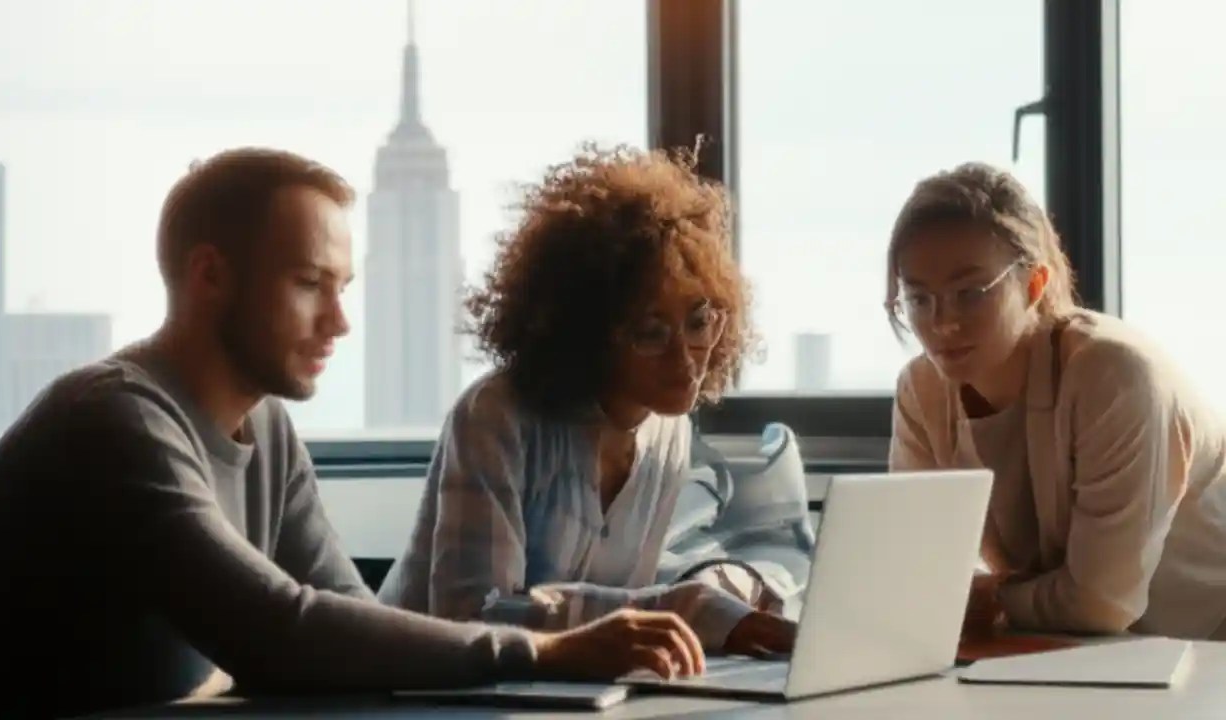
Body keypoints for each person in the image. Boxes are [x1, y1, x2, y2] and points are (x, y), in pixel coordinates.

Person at [0, 148, 707, 719]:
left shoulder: (265, 427)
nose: (340, 322)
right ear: (209, 275)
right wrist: (543, 650)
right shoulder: (112, 422)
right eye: (310, 284)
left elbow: (351, 615)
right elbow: (279, 630)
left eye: (343, 289)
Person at [379, 145, 807, 657]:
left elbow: (627, 621)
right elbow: (471, 615)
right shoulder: (494, 418)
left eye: (698, 322)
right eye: (650, 332)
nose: (686, 359)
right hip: (423, 695)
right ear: (588, 331)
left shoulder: (667, 429)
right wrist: (683, 608)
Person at [886, 161, 1226, 640]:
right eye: (919, 299)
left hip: (1207, 646)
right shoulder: (921, 392)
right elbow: (916, 574)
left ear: (1034, 283)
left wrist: (988, 599)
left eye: (970, 293)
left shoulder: (1115, 375)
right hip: (1090, 655)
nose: (942, 324)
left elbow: (1100, 603)